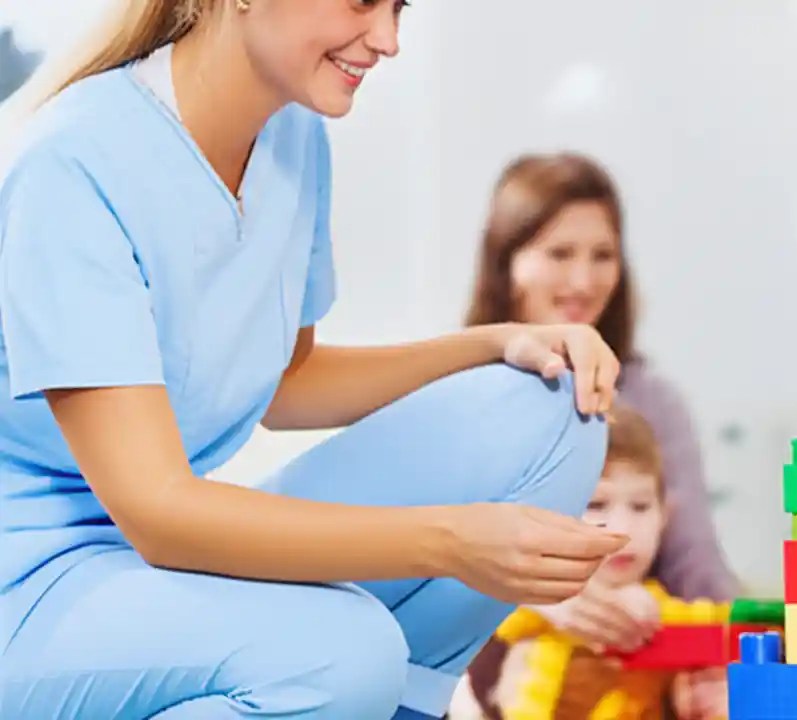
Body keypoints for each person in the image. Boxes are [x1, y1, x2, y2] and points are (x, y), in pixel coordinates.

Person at [0, 2, 631, 719]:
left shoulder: (293, 134)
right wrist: (450, 541)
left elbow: (290, 382)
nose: (389, 40)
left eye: (400, 8)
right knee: (341, 651)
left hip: (156, 562)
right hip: (33, 587)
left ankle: (393, 707)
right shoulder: (74, 163)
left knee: (549, 410)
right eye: (362, 2)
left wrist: (498, 344)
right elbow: (159, 513)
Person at [461, 152, 738, 647]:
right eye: (559, 254)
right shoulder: (457, 393)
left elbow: (697, 570)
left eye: (602, 255)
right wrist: (533, 597)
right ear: (506, 261)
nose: (584, 282)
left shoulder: (655, 403)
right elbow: (417, 567)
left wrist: (735, 658)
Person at [461, 406, 730, 720]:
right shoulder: (497, 612)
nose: (622, 530)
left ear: (665, 516)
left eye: (641, 507)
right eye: (596, 505)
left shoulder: (674, 612)